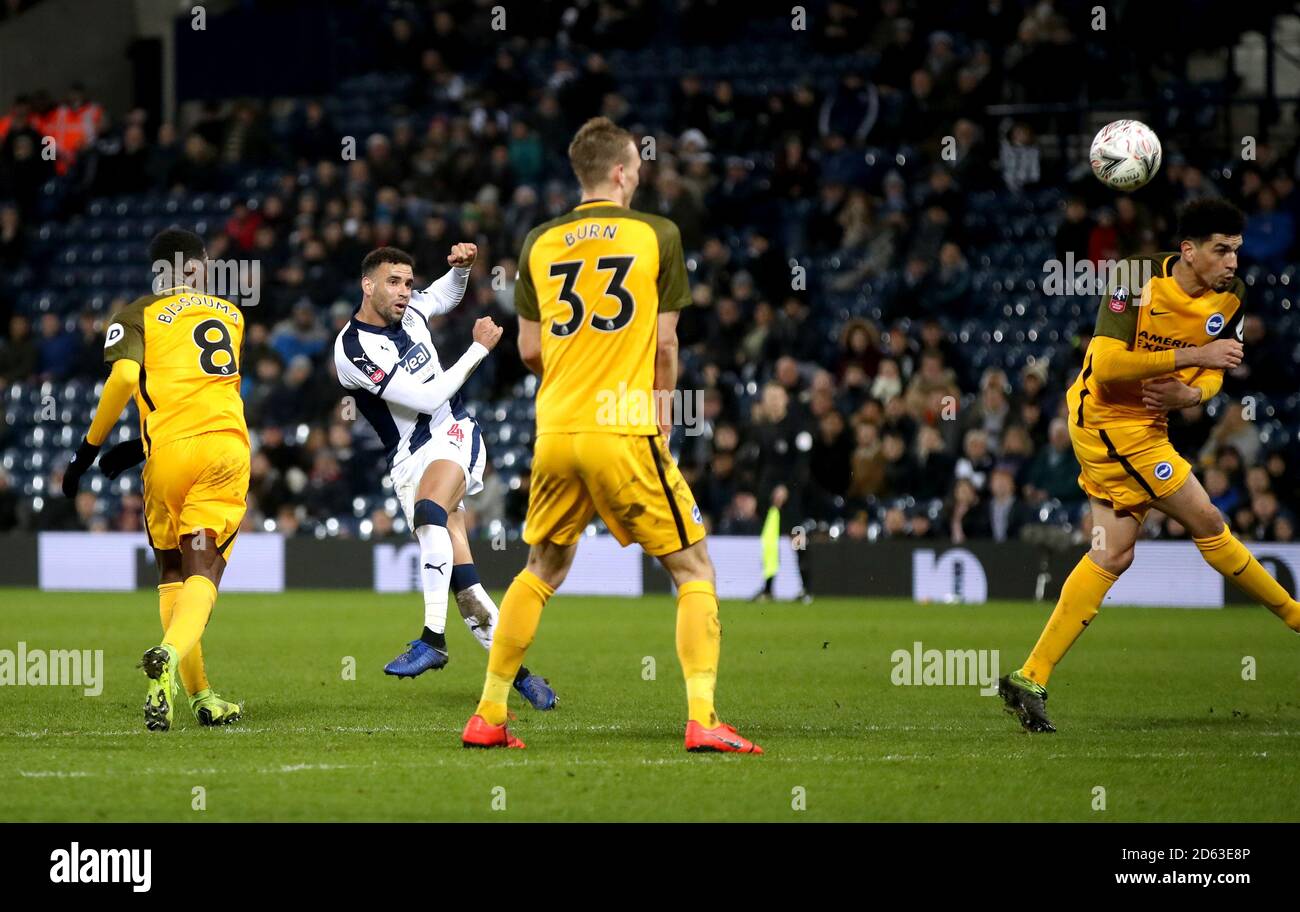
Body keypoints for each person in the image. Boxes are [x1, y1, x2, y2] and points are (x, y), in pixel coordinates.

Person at [462, 117, 762, 753]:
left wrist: (576, 370)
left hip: (555, 430)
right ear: (624, 171)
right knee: (693, 566)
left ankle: (489, 714)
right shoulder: (658, 234)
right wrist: (660, 415)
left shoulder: (539, 241)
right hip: (622, 426)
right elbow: (667, 343)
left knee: (541, 568)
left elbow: (529, 349)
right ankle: (703, 718)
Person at [1000, 198, 1300, 733]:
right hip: (1107, 420)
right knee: (1207, 520)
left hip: (1148, 426)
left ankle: (1030, 675)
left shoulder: (1231, 298)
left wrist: (1191, 395)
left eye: (1237, 250)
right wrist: (1191, 359)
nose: (1233, 262)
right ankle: (1295, 617)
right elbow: (1110, 366)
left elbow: (1219, 368)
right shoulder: (1136, 278)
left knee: (1112, 553)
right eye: (1221, 250)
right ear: (1188, 251)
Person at [332, 245, 555, 711]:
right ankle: (523, 679)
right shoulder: (353, 348)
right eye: (393, 282)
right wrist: (478, 348)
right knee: (467, 588)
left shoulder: (412, 311)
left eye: (409, 282)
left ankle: (432, 639)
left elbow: (445, 295)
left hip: (453, 434)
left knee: (431, 513)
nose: (404, 291)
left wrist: (462, 269)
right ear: (367, 285)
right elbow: (427, 395)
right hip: (408, 461)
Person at [61, 228, 247, 731]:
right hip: (223, 450)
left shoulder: (135, 313)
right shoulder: (231, 315)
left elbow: (126, 379)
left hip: (166, 458)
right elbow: (205, 387)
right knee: (203, 570)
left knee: (171, 570)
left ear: (158, 270)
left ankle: (201, 695)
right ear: (202, 267)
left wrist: (88, 452)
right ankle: (173, 662)